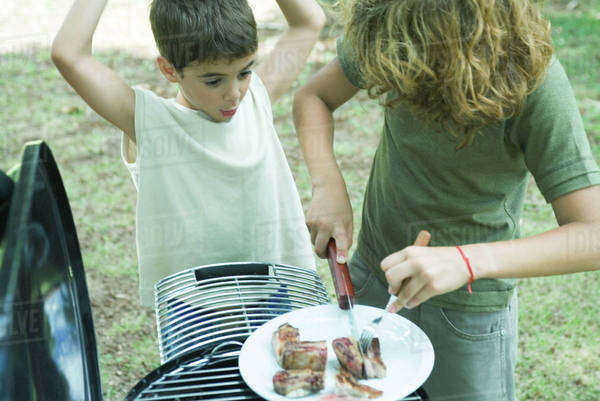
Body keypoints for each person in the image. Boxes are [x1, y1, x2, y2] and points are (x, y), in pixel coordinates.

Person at [293, 0, 600, 400]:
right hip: (373, 277)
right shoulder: (389, 28)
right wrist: (328, 185)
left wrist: (467, 261)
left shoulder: (533, 79)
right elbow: (314, 98)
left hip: (467, 313)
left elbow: (592, 235)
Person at [51, 0, 326, 308]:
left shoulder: (256, 97)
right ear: (169, 69)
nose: (234, 93)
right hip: (195, 312)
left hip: (274, 294)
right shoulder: (150, 122)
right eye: (213, 80)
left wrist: (240, 79)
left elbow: (310, 21)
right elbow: (69, 55)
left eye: (244, 72)